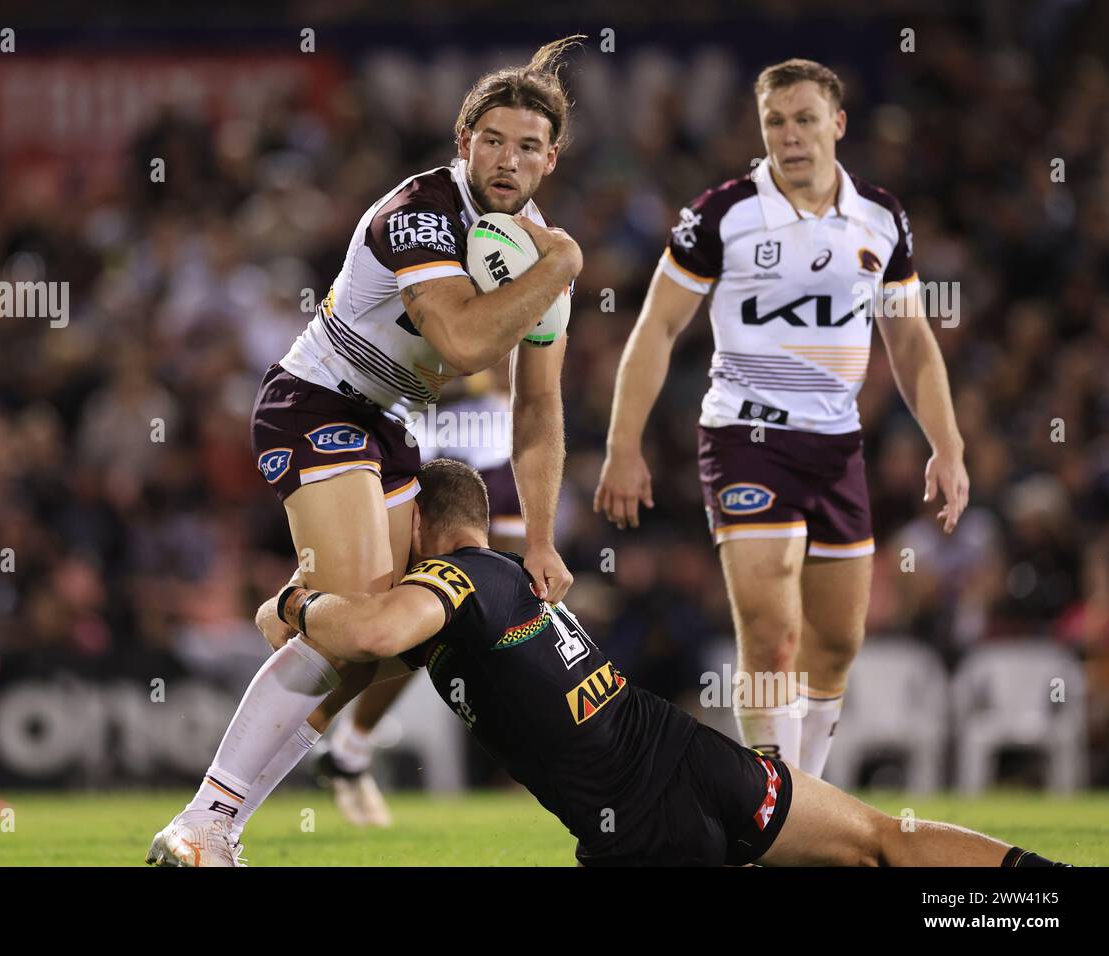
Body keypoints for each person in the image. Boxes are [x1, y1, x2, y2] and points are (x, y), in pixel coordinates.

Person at [148, 36, 585, 866]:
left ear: (550, 159)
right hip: (315, 403)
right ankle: (206, 811)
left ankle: (214, 823)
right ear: (465, 142)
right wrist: (560, 263)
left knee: (389, 645)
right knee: (357, 629)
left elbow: (537, 406)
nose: (507, 157)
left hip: (389, 425)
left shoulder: (538, 254)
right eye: (492, 138)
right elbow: (458, 344)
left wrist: (539, 538)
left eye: (528, 145)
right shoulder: (419, 212)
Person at [260, 459, 1063, 867]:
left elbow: (360, 636)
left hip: (640, 826)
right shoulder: (496, 594)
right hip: (687, 752)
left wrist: (298, 601)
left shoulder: (462, 576)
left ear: (427, 521)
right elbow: (353, 659)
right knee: (881, 842)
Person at [595, 59, 969, 776]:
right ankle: (773, 807)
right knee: (770, 635)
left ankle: (803, 797)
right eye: (775, 121)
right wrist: (623, 445)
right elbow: (655, 330)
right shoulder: (721, 213)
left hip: (836, 445)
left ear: (838, 123)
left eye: (803, 118)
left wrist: (946, 447)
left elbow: (913, 341)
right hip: (746, 437)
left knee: (836, 645)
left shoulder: (881, 218)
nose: (789, 135)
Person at [315, 364, 525, 826]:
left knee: (494, 605)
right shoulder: (416, 305)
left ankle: (342, 748)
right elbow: (411, 375)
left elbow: (510, 376)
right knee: (392, 620)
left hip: (488, 447)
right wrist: (465, 380)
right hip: (412, 445)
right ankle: (321, 739)